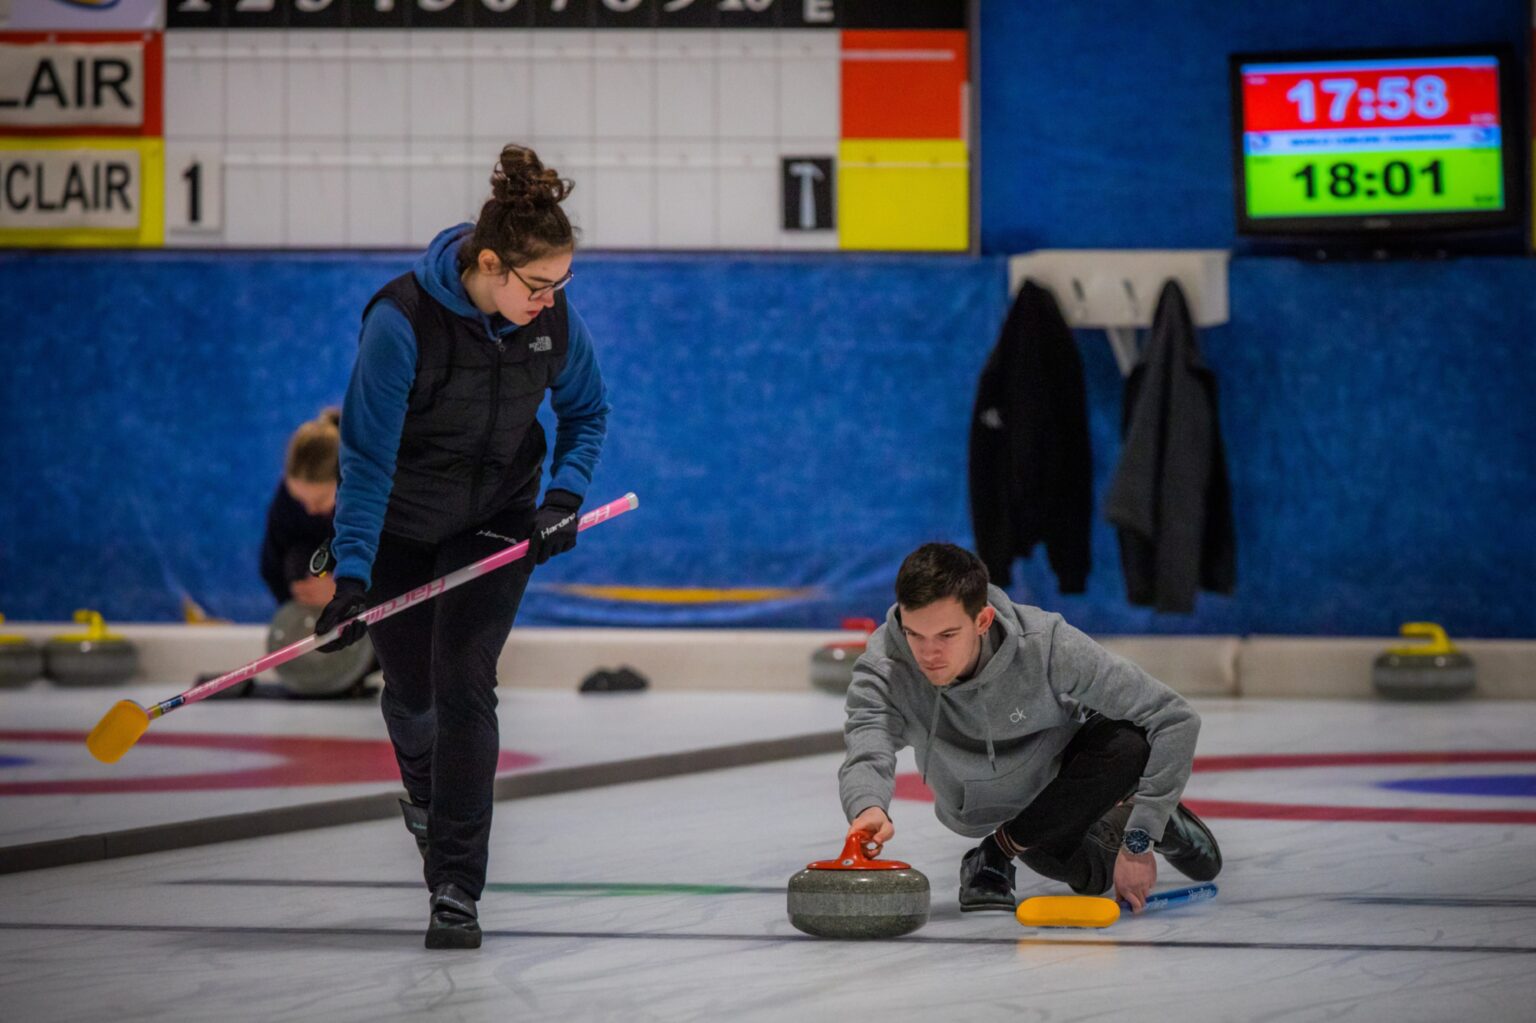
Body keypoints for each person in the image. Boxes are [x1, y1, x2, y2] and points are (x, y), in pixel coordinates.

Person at [315, 144, 610, 950]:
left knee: (464, 676)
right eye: (538, 285)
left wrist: (563, 497)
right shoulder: (399, 321)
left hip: (497, 518)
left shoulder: (550, 322)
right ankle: (426, 799)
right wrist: (351, 575)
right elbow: (366, 459)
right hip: (403, 529)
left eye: (561, 287)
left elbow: (586, 411)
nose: (550, 301)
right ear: (489, 264)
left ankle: (455, 885)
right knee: (411, 691)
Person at [839, 543, 1221, 914]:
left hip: (1063, 782)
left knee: (1128, 743)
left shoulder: (1045, 643)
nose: (927, 654)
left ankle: (1003, 849)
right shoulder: (885, 666)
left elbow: (1174, 717)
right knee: (1086, 877)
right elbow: (867, 745)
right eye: (914, 634)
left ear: (983, 621)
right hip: (999, 812)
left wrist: (1138, 843)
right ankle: (1137, 816)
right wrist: (868, 807)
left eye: (947, 636)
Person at [258, 408, 340, 609]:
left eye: (320, 500)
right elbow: (271, 566)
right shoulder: (286, 504)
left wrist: (345, 587)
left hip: (368, 602)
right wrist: (298, 597)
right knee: (298, 560)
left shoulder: (376, 501)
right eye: (300, 500)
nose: (310, 510)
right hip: (308, 604)